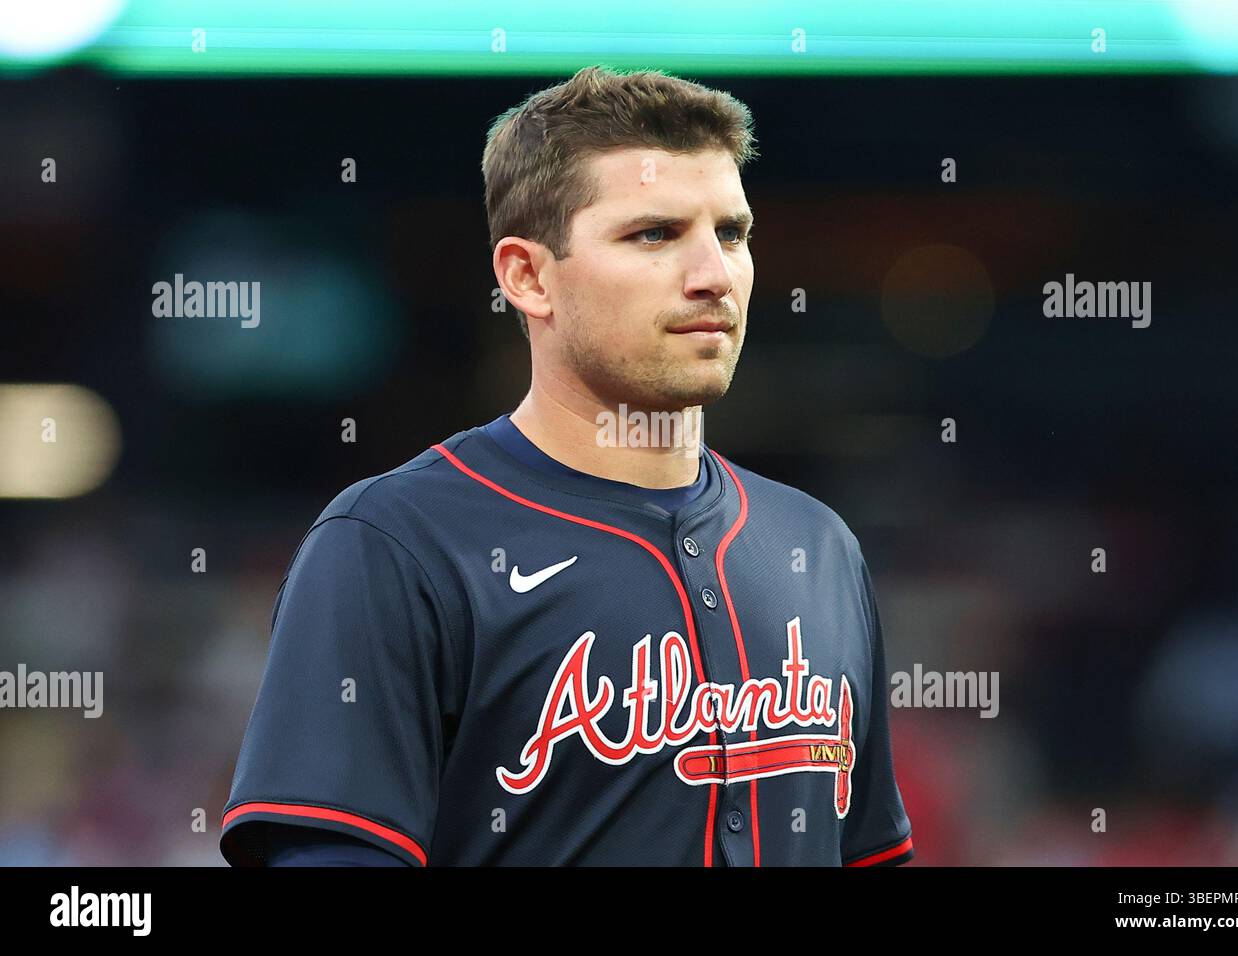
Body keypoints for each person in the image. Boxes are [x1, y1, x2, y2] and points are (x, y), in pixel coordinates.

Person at [220, 64, 913, 867]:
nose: (714, 276)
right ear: (527, 277)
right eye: (652, 234)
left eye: (731, 233)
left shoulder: (817, 544)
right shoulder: (393, 543)